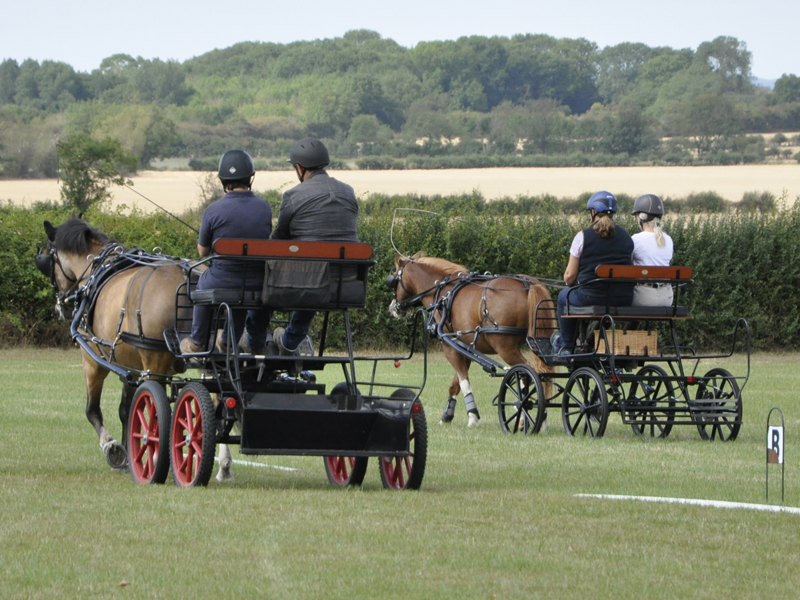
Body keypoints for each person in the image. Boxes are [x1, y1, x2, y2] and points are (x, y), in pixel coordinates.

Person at [271, 137, 360, 355]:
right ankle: (291, 340)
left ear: (299, 168)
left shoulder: (293, 196)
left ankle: (263, 338)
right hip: (348, 281)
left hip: (310, 281)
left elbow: (278, 240)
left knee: (300, 273)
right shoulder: (348, 192)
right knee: (317, 269)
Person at [180, 150, 273, 355]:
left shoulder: (213, 210)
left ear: (223, 180)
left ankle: (197, 341)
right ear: (250, 177)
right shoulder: (264, 207)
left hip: (221, 279)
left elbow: (203, 250)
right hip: (257, 281)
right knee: (241, 290)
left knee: (203, 283)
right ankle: (228, 340)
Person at [552, 191, 634, 356]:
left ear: (593, 212)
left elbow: (569, 277)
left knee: (563, 296)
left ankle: (567, 345)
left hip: (591, 296)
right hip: (623, 298)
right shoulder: (627, 237)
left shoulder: (582, 236)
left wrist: (571, 283)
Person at [630, 193, 674, 306]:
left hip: (644, 298)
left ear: (642, 218)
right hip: (667, 299)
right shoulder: (668, 239)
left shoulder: (636, 239)